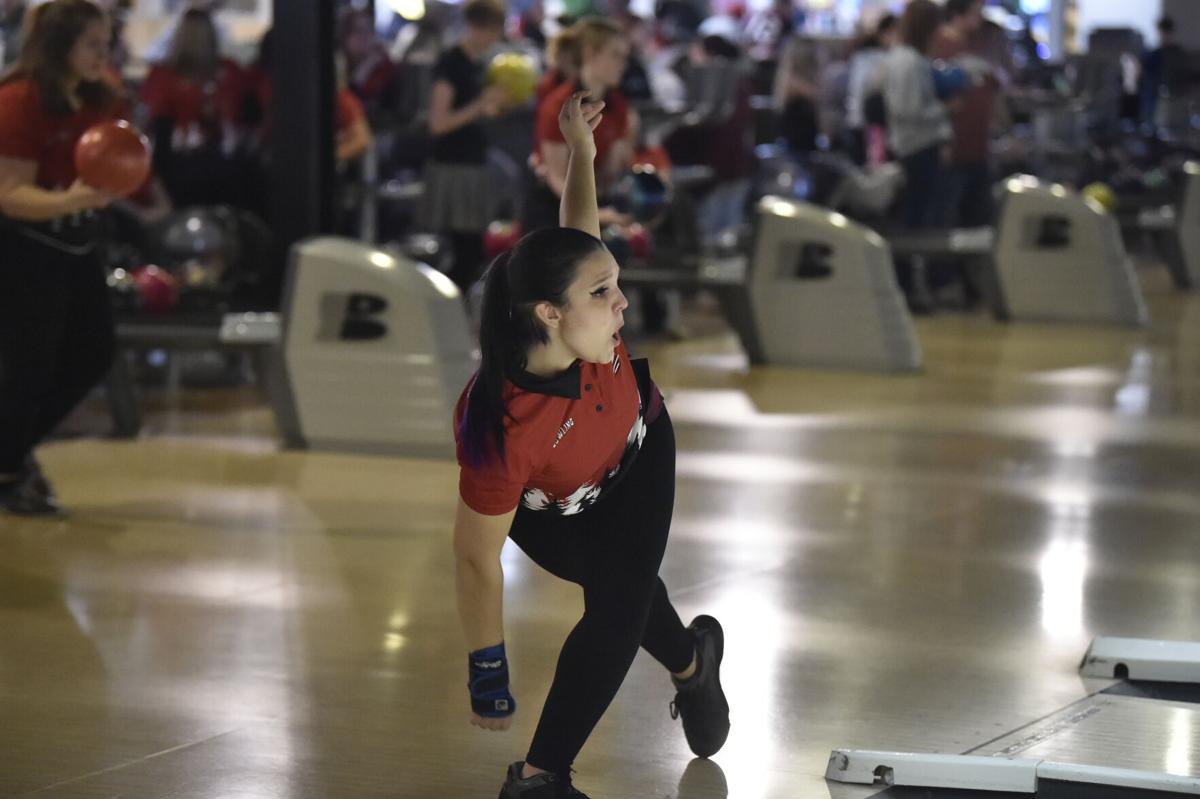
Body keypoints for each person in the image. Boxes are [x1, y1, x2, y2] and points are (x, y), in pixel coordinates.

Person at [453, 91, 730, 798]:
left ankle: (539, 777)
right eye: (603, 292)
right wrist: (487, 667)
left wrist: (581, 150)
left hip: (639, 459)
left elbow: (579, 229)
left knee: (619, 599)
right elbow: (477, 556)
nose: (622, 305)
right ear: (549, 313)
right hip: (552, 510)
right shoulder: (499, 426)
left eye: (615, 286)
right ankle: (693, 664)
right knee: (625, 595)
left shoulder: (586, 326)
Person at [0, 0, 121, 515]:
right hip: (24, 248)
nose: (103, 54)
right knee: (30, 365)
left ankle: (10, 451)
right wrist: (70, 200)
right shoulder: (18, 101)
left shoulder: (95, 99)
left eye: (106, 43)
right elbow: (9, 194)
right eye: (92, 44)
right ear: (60, 45)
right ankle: (8, 470)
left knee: (93, 350)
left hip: (76, 242)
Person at [422, 0, 509, 295]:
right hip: (454, 166)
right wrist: (480, 106)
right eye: (490, 30)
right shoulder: (451, 64)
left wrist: (494, 106)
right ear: (474, 27)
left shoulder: (478, 65)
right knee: (464, 251)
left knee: (471, 250)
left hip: (472, 162)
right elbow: (439, 122)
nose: (493, 37)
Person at [525, 18, 636, 234]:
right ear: (589, 53)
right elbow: (557, 178)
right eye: (615, 55)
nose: (623, 64)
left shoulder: (618, 105)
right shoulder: (558, 105)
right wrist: (598, 214)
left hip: (592, 201)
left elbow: (611, 170)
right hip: (552, 210)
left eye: (625, 57)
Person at [140, 7, 247, 207]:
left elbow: (159, 131)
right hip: (223, 172)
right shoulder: (231, 73)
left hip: (184, 170)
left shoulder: (162, 77)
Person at [881, 0, 950, 230]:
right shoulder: (909, 61)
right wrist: (946, 108)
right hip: (916, 147)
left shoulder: (904, 58)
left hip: (912, 145)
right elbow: (907, 109)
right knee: (917, 217)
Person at [930, 0, 995, 229]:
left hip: (978, 144)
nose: (980, 19)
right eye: (976, 13)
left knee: (978, 216)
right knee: (949, 216)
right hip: (953, 145)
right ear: (958, 14)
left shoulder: (974, 45)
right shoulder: (939, 45)